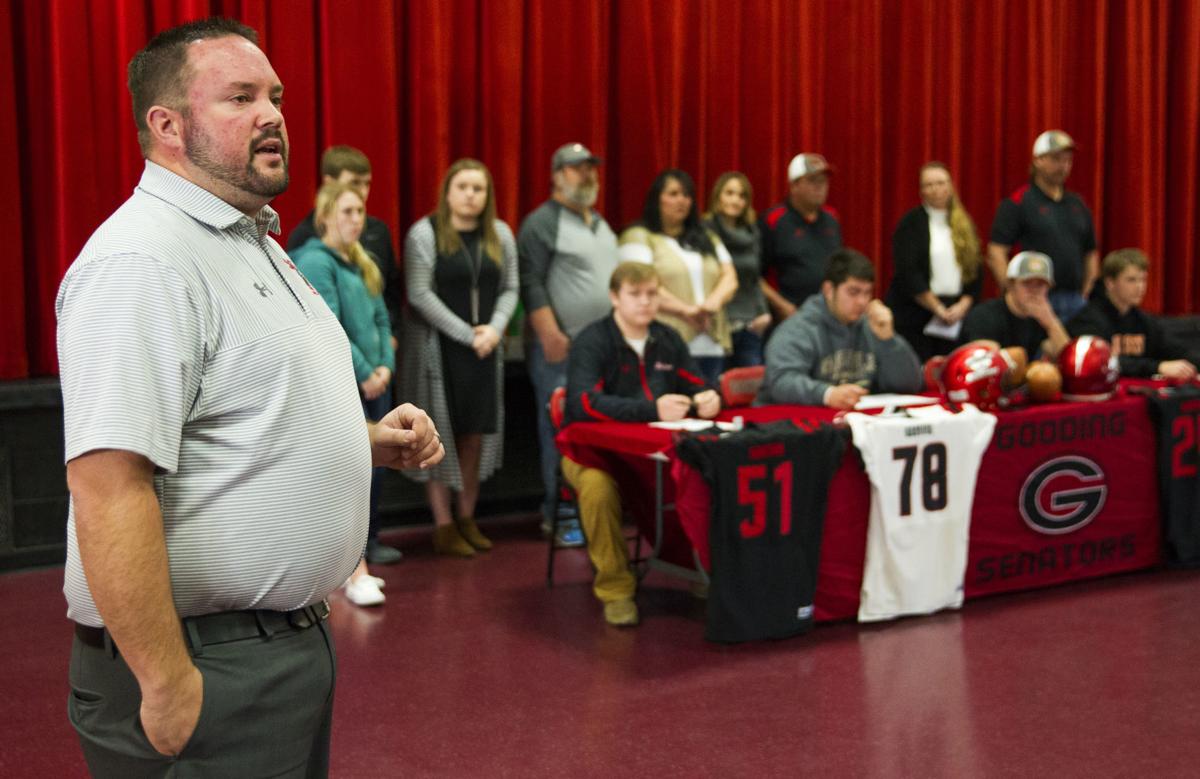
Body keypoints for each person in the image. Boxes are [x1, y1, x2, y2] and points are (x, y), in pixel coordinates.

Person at [56, 18, 442, 776]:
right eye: (240, 97)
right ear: (166, 126)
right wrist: (169, 686)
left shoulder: (248, 239)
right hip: (204, 661)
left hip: (281, 650)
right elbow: (108, 487)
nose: (273, 114)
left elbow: (228, 413)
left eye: (276, 96)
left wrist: (359, 440)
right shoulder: (145, 260)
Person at [562, 262, 721, 626]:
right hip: (589, 453)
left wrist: (707, 397)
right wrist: (651, 408)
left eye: (652, 294)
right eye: (635, 295)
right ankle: (616, 589)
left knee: (697, 472)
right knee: (598, 489)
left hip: (653, 453)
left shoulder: (666, 338)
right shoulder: (593, 340)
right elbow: (582, 403)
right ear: (614, 297)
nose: (645, 303)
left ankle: (698, 569)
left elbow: (693, 382)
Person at [401, 158, 519, 557]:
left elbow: (510, 288)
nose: (471, 195)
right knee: (439, 435)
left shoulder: (500, 234)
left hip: (485, 351)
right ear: (448, 192)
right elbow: (419, 294)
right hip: (442, 352)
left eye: (479, 188)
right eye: (463, 187)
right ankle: (444, 524)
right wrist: (468, 335)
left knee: (473, 438)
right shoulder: (425, 233)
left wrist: (495, 330)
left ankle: (467, 517)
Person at [291, 182, 395, 606]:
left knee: (371, 475)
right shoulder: (316, 261)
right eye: (347, 211)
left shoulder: (362, 262)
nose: (357, 219)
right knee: (346, 477)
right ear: (326, 217)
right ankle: (351, 571)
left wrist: (385, 364)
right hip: (344, 385)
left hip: (376, 383)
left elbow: (383, 319)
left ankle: (358, 561)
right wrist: (367, 372)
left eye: (360, 211)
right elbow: (328, 327)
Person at [517, 143, 618, 547]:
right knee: (559, 428)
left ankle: (594, 511)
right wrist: (548, 332)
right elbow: (531, 279)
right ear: (557, 175)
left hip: (600, 350)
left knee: (593, 429)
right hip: (560, 347)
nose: (588, 176)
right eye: (578, 169)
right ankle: (558, 515)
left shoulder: (599, 221)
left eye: (591, 168)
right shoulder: (543, 222)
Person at [759, 248, 923, 409]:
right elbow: (780, 382)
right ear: (829, 290)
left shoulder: (872, 325)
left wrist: (889, 341)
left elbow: (911, 384)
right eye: (853, 292)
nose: (862, 301)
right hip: (793, 425)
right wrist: (827, 394)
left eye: (867, 293)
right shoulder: (798, 330)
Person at [618, 168, 738, 384]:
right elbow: (640, 284)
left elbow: (729, 276)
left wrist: (712, 303)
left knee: (709, 408)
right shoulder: (638, 236)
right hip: (663, 344)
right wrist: (687, 311)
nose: (681, 201)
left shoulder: (706, 237)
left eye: (686, 195)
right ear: (657, 199)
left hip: (712, 343)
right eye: (673, 194)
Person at [286, 144, 403, 347]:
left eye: (367, 184)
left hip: (378, 352)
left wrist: (390, 336)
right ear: (329, 183)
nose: (363, 192)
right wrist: (365, 372)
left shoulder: (378, 230)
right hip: (338, 354)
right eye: (355, 183)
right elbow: (319, 319)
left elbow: (389, 290)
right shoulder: (305, 240)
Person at [987, 129, 1099, 322]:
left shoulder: (1077, 204)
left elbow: (1091, 252)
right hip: (1035, 299)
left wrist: (1086, 291)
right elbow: (996, 251)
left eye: (1067, 160)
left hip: (1075, 300)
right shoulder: (1018, 202)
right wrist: (1013, 293)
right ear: (1038, 160)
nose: (1063, 166)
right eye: (1056, 159)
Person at [886, 162, 984, 362]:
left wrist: (963, 305)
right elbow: (908, 272)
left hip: (955, 314)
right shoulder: (910, 224)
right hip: (918, 314)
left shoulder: (964, 223)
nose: (935, 189)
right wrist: (937, 308)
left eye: (940, 183)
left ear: (950, 186)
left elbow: (975, 269)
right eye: (929, 185)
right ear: (921, 191)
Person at [1066, 248, 1199, 379]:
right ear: (1110, 283)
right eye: (1131, 280)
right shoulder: (1088, 320)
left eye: (1143, 280)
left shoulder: (1143, 321)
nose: (1140, 287)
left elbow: (1172, 349)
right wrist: (1158, 367)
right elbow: (1102, 362)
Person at [759, 153, 843, 320]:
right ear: (794, 185)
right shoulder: (774, 220)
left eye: (824, 181)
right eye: (813, 181)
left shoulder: (832, 218)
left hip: (829, 315)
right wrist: (782, 305)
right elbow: (754, 276)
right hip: (790, 315)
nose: (820, 186)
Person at [704, 171, 771, 367]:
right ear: (718, 196)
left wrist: (764, 314)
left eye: (742, 196)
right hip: (717, 325)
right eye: (730, 193)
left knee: (749, 387)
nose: (735, 200)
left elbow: (755, 279)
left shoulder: (752, 232)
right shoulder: (705, 230)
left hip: (749, 325)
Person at [960, 251, 1071, 360]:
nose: (1034, 291)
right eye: (1027, 283)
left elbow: (1068, 358)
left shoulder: (1041, 318)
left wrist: (1051, 323)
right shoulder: (985, 315)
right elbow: (984, 359)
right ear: (1011, 284)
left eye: (1040, 285)